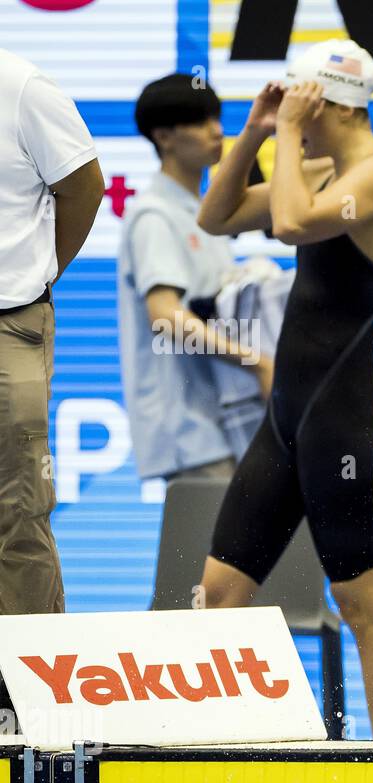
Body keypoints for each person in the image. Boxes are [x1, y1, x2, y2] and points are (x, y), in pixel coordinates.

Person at [196, 40, 373, 739]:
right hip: (284, 423)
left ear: (323, 103)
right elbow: (217, 218)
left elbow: (289, 224)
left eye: (297, 101)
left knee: (363, 608)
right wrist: (259, 132)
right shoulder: (314, 167)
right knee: (219, 597)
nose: (291, 111)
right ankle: (196, 747)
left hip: (342, 424)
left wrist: (286, 135)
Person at [118, 73, 274, 485]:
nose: (217, 131)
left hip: (221, 417)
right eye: (201, 121)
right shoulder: (154, 216)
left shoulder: (203, 215)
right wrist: (257, 363)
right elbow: (165, 318)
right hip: (188, 426)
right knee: (208, 549)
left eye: (217, 118)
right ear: (164, 137)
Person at [0, 48, 103, 617]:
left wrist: (39, 274)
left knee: (15, 511)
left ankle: (27, 699)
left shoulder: (22, 88)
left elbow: (84, 188)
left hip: (9, 324)